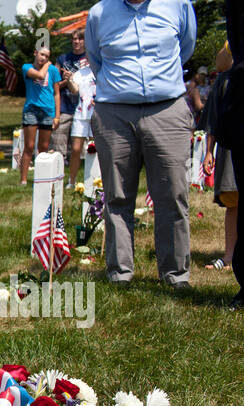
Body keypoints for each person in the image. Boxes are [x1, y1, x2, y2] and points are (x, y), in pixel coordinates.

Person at [85, 0, 196, 289]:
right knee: (117, 196)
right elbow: (96, 59)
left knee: (173, 194)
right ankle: (120, 272)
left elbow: (186, 47)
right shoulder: (99, 13)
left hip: (167, 109)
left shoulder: (178, 5)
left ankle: (175, 274)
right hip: (114, 114)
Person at [204, 42, 238, 272]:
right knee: (234, 202)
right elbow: (213, 117)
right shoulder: (225, 80)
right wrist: (208, 151)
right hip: (232, 143)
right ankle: (229, 256)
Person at [18, 47, 61, 186]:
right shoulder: (27, 67)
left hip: (47, 110)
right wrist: (48, 65)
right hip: (31, 110)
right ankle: (23, 179)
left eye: (47, 57)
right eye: (42, 55)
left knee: (43, 147)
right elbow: (40, 76)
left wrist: (57, 116)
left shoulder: (53, 71)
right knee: (29, 146)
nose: (44, 58)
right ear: (35, 53)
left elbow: (56, 93)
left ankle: (41, 177)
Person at [53, 30, 87, 159]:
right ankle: (59, 164)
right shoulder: (63, 59)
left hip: (83, 107)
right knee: (58, 142)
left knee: (81, 147)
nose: (76, 41)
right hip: (64, 107)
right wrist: (66, 80)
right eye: (74, 39)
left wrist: (74, 79)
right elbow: (54, 85)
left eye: (80, 39)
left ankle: (81, 168)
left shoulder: (89, 59)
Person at [65, 57, 96, 188]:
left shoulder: (102, 69)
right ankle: (72, 181)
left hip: (97, 113)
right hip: (81, 112)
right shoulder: (81, 72)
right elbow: (74, 90)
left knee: (94, 148)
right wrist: (69, 80)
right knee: (76, 149)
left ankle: (95, 180)